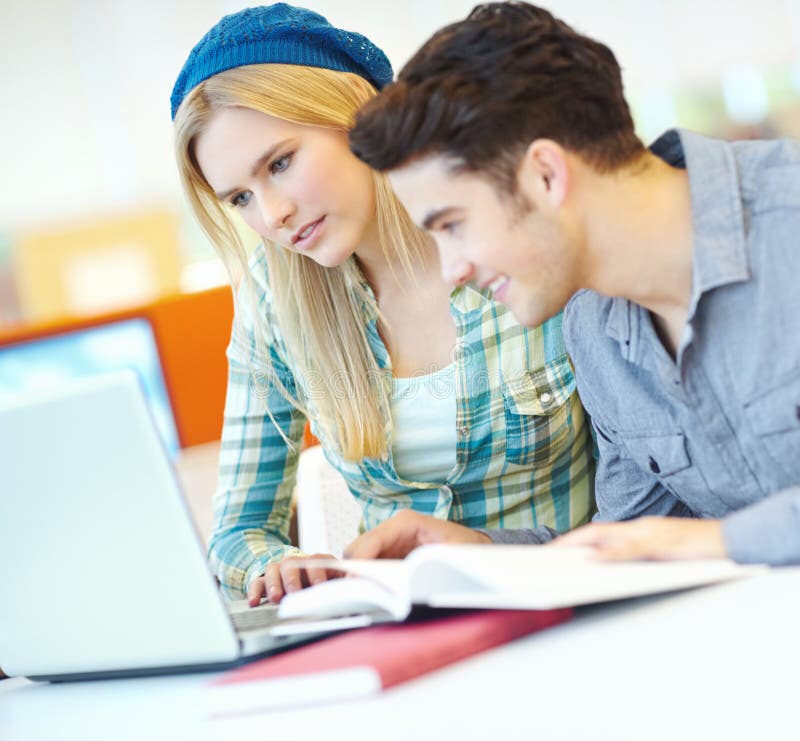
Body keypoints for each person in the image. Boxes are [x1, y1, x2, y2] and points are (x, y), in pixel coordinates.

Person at [344, 1, 800, 566]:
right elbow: (634, 541)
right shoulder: (592, 331)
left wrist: (723, 541)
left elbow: (688, 543)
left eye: (453, 225)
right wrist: (481, 552)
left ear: (546, 174)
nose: (451, 270)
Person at [170, 4, 595, 603]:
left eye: (281, 163)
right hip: (405, 627)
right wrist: (281, 565)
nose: (272, 215)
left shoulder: (507, 229)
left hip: (572, 602)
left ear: (358, 117)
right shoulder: (275, 296)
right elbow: (240, 534)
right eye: (239, 197)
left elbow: (643, 493)